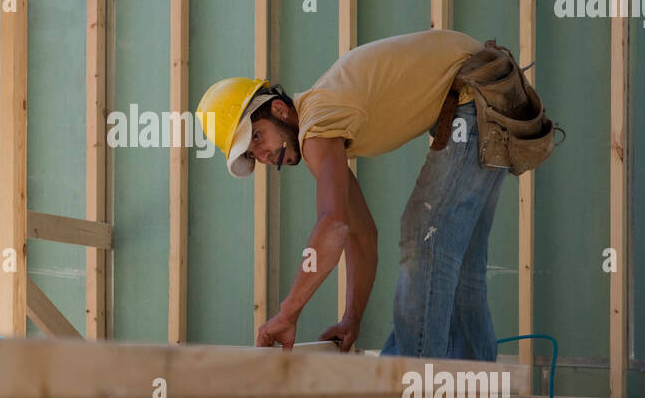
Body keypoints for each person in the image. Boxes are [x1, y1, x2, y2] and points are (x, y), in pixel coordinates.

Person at [196, 28, 506, 360]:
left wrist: (287, 313)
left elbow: (332, 224)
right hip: (489, 94)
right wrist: (352, 317)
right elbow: (360, 233)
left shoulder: (317, 126)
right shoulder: (323, 127)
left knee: (423, 237)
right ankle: (474, 390)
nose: (263, 154)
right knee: (460, 263)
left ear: (280, 111)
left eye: (257, 137)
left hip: (475, 94)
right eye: (250, 153)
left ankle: (404, 388)